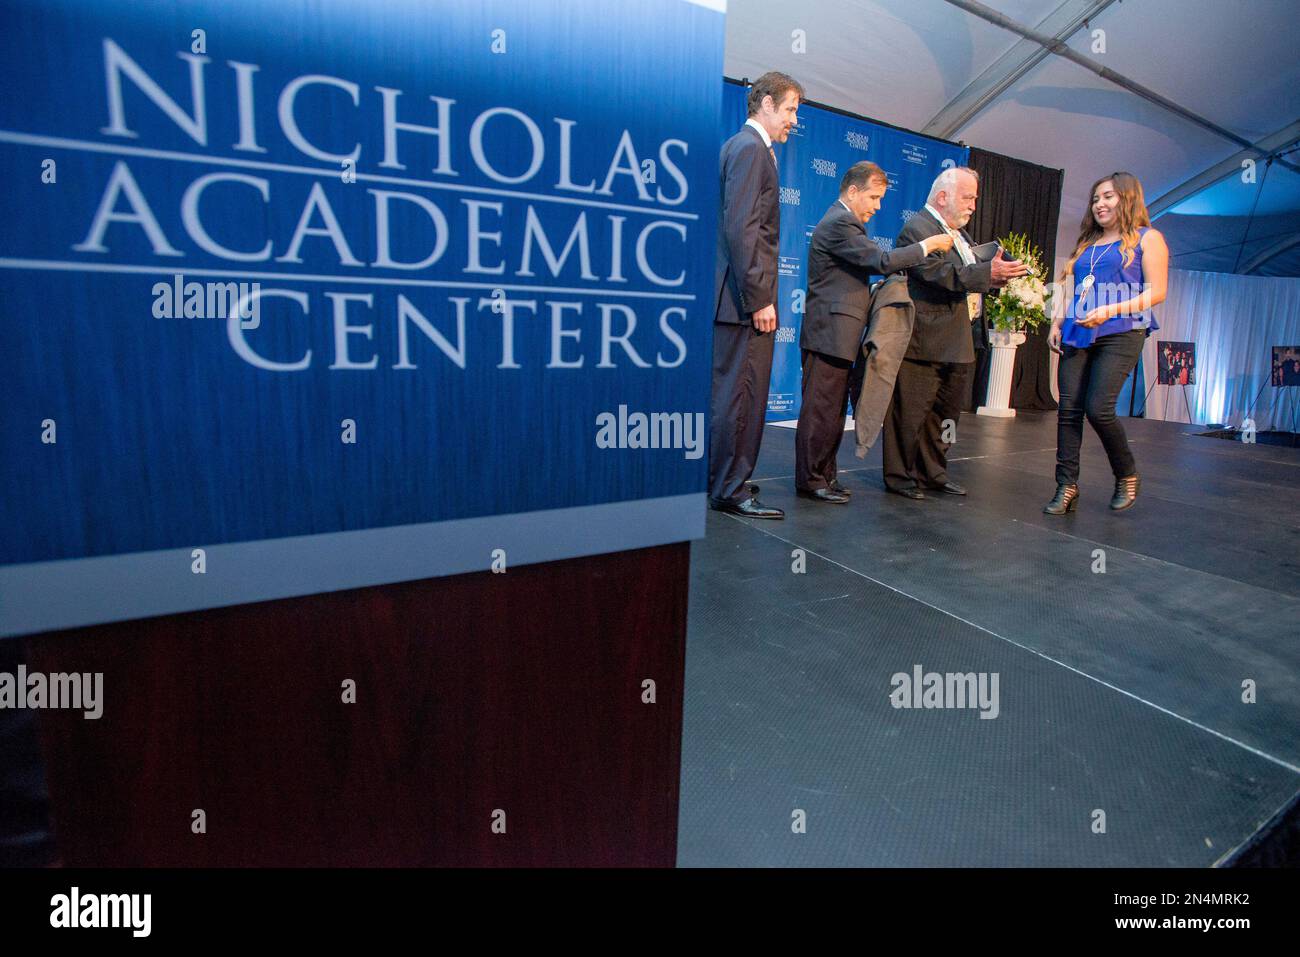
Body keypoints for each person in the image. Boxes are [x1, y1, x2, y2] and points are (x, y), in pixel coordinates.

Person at [793, 161, 952, 502]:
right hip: (829, 334)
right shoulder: (840, 222)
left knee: (833, 413)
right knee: (820, 412)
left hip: (840, 335)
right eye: (873, 197)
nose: (877, 206)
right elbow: (879, 261)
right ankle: (811, 481)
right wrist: (927, 246)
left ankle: (824, 475)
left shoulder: (846, 222)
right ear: (852, 191)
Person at [882, 167, 1027, 500]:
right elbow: (936, 273)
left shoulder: (961, 235)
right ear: (943, 196)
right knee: (910, 413)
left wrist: (996, 277)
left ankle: (933, 472)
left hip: (960, 340)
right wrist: (986, 273)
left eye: (975, 198)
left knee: (945, 416)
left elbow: (968, 275)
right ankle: (900, 476)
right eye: (968, 197)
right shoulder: (918, 227)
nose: (973, 205)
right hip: (925, 340)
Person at [1044, 171, 1169, 514]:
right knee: (1068, 410)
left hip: (1122, 329)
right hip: (1078, 329)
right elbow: (1069, 285)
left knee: (1098, 408)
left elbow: (1157, 291)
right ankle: (1066, 485)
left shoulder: (1148, 238)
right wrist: (1056, 321)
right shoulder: (1087, 244)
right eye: (1096, 198)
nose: (1100, 203)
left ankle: (1127, 473)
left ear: (1127, 198)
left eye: (1108, 196)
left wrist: (1109, 309)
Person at [709, 71, 803, 519]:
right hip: (744, 301)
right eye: (789, 110)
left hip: (733, 299)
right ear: (765, 103)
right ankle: (730, 487)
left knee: (731, 394)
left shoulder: (740, 147)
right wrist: (760, 298)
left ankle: (724, 479)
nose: (793, 120)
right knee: (742, 394)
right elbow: (743, 229)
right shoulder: (750, 149)